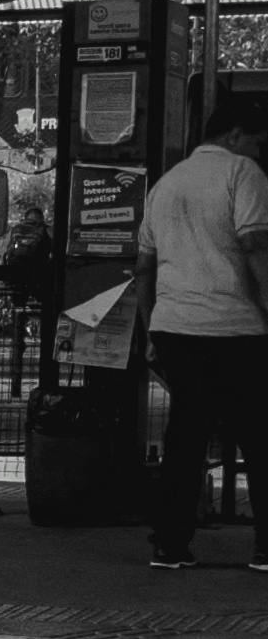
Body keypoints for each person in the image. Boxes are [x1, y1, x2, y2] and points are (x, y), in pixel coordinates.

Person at [132, 90, 268, 572]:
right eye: (255, 141)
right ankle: (265, 547)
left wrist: (152, 328)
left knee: (185, 439)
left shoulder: (166, 185)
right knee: (258, 434)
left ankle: (170, 545)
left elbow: (143, 269)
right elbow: (255, 247)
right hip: (236, 328)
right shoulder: (242, 173)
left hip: (175, 328)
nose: (258, 150)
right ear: (234, 136)